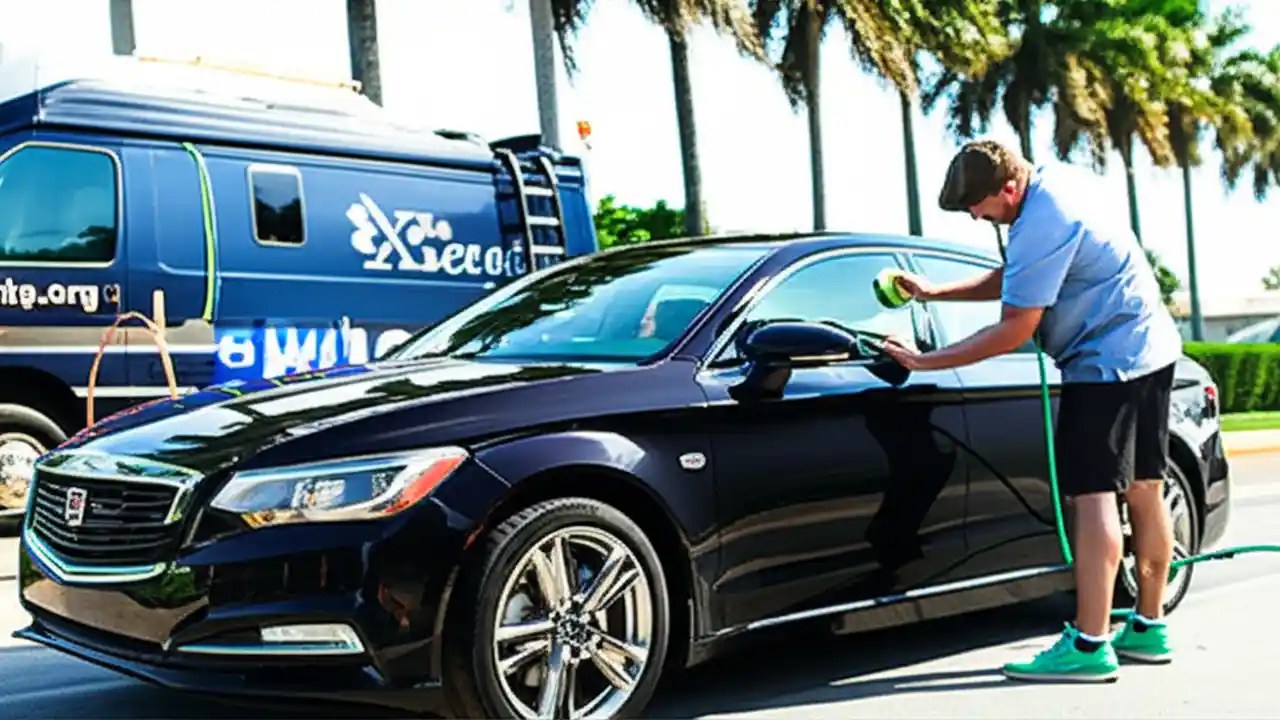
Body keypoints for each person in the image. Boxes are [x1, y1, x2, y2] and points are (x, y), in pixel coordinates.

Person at [881, 138, 1183, 683]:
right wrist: (934, 293)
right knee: (1145, 489)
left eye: (978, 207)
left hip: (1104, 364)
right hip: (1151, 350)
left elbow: (1013, 329)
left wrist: (926, 361)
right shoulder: (1056, 186)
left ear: (1008, 188)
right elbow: (1022, 274)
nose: (977, 218)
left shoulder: (1042, 218)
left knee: (1094, 498)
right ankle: (1148, 626)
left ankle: (1090, 644)